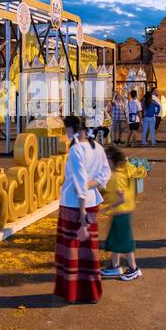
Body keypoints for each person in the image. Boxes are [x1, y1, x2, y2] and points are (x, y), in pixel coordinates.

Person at [55, 115, 111, 303]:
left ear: (72, 129)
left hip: (75, 204)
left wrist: (82, 212)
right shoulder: (98, 147)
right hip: (92, 201)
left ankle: (72, 292)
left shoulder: (76, 149)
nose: (65, 133)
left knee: (71, 247)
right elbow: (105, 175)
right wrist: (90, 186)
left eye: (66, 130)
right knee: (89, 249)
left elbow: (79, 184)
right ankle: (90, 292)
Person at [99, 144, 141, 281]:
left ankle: (134, 268)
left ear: (113, 161)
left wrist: (106, 208)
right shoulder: (118, 173)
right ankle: (115, 266)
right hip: (120, 213)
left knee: (125, 243)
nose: (105, 161)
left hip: (122, 213)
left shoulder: (116, 177)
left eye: (107, 159)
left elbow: (121, 198)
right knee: (115, 240)